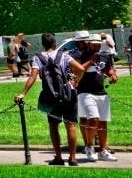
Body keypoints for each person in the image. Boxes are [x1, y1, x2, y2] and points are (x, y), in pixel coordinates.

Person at [15, 31, 96, 166]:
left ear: (43, 44)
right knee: (70, 126)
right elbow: (81, 69)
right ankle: (72, 158)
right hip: (67, 94)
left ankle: (58, 157)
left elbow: (33, 76)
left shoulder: (38, 58)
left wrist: (23, 93)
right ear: (55, 43)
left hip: (50, 96)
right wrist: (75, 82)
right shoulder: (63, 55)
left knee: (53, 126)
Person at [76, 34, 119, 162]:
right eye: (94, 44)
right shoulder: (81, 55)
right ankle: (89, 147)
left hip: (101, 92)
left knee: (103, 123)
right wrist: (91, 60)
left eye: (99, 44)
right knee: (93, 119)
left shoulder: (104, 55)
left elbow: (108, 69)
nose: (97, 46)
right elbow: (78, 70)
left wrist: (112, 75)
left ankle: (102, 150)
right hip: (85, 92)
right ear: (88, 43)